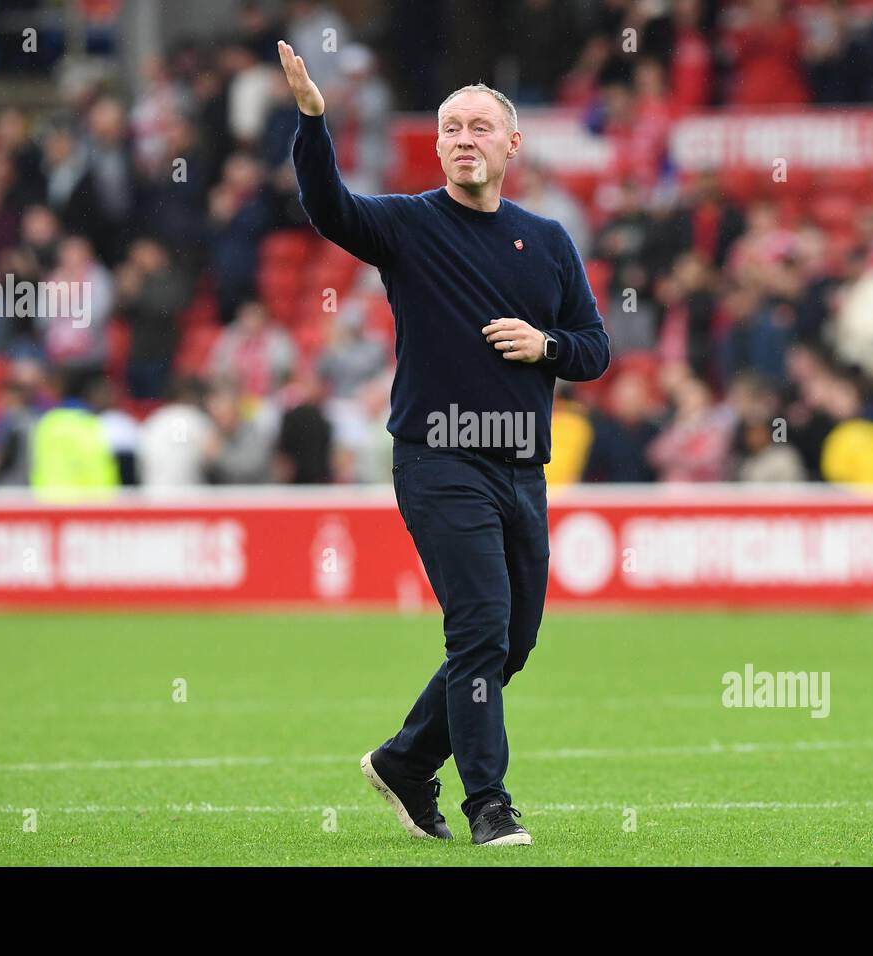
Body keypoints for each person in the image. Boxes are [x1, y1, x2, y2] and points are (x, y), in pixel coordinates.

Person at [280, 40, 610, 846]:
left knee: (514, 643)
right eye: (452, 127)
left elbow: (595, 348)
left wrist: (549, 347)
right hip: (438, 458)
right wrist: (314, 123)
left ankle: (402, 761)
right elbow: (330, 209)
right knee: (479, 630)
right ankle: (488, 805)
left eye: (480, 127)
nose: (465, 138)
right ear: (437, 146)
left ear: (511, 145)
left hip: (521, 469)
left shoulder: (550, 240)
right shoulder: (408, 225)